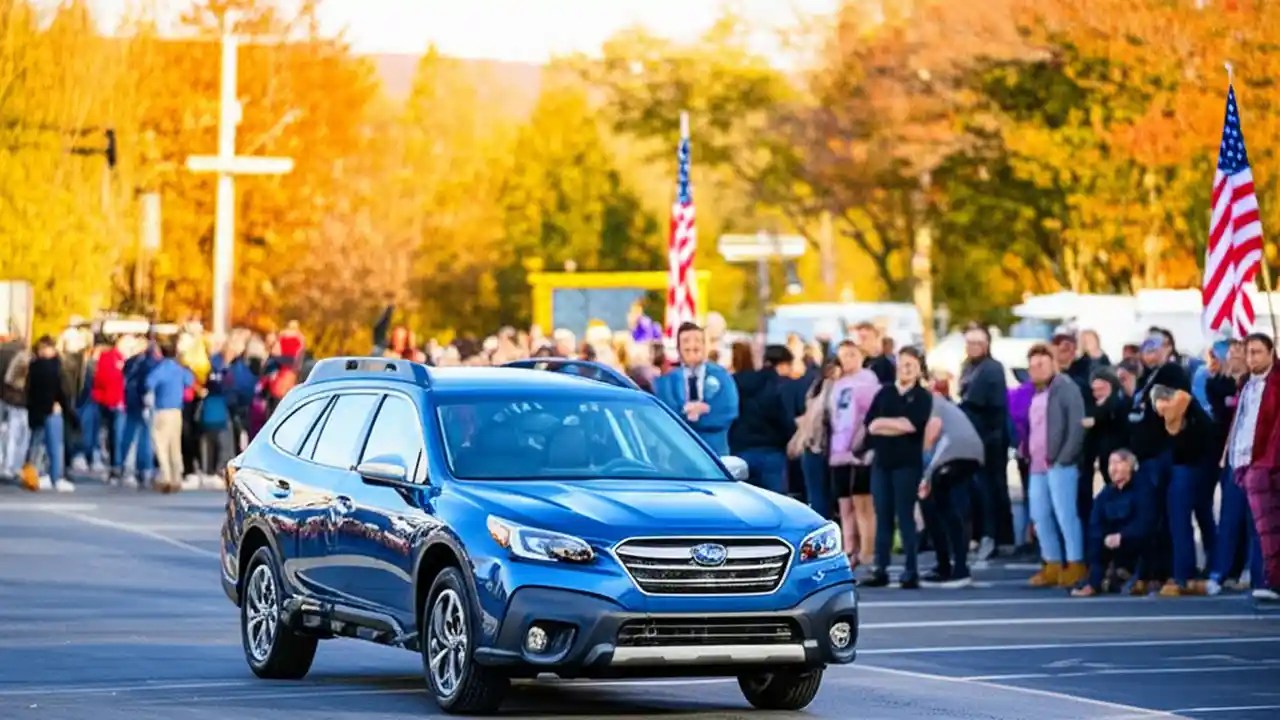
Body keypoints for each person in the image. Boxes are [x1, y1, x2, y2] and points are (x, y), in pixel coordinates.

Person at [861, 346, 933, 589]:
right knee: (883, 516)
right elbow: (871, 424)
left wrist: (886, 424)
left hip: (907, 464)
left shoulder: (922, 396)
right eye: (903, 363)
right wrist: (892, 424)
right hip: (882, 463)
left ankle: (910, 570)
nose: (906, 368)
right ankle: (880, 568)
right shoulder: (884, 393)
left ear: (919, 368)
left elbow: (912, 425)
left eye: (911, 364)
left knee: (905, 517)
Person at [1127, 331, 1190, 590]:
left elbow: (1171, 408)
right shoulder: (1146, 377)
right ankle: (1149, 570)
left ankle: (1166, 572)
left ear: (1168, 348)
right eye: (1146, 346)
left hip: (1161, 454)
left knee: (1162, 516)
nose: (1150, 351)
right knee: (1149, 515)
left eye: (1156, 346)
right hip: (1145, 456)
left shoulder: (1171, 372)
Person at [1024, 344, 1087, 589]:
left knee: (1065, 515)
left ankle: (1075, 564)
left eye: (1041, 364)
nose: (1036, 369)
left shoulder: (1065, 387)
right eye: (1032, 366)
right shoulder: (1036, 392)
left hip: (1059, 463)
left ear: (1053, 363)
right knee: (1039, 516)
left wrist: (1065, 457)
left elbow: (1076, 425)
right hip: (1037, 465)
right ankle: (1051, 563)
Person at [1225, 333, 1280, 603]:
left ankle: (1272, 580)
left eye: (1257, 352)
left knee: (1269, 528)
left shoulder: (1276, 383)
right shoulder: (1247, 385)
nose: (1251, 358)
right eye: (1248, 353)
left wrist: (1265, 463)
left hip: (1265, 463)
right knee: (1257, 529)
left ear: (1271, 353)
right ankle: (1263, 577)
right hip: (1243, 462)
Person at [1150, 383, 1215, 596]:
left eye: (1159, 407)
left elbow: (1178, 441)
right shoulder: (1193, 407)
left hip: (1185, 469)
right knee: (1204, 519)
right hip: (1201, 468)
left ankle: (1182, 575)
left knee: (1179, 522)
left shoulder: (1179, 407)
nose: (1160, 414)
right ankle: (1212, 568)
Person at [919, 388, 985, 587]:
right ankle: (948, 564)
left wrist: (925, 475)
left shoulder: (932, 402)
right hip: (968, 454)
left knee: (941, 507)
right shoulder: (943, 404)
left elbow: (932, 434)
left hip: (954, 453)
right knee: (941, 506)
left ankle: (957, 568)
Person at [826, 341, 881, 567]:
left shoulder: (868, 381)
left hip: (858, 450)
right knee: (844, 504)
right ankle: (849, 548)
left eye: (851, 355)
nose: (847, 360)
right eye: (843, 356)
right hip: (838, 448)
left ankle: (867, 549)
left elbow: (870, 416)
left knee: (863, 503)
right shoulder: (837, 384)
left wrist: (861, 442)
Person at [1072, 449, 1155, 598]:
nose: (1112, 468)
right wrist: (1103, 536)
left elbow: (1146, 522)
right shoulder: (1108, 492)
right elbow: (1096, 519)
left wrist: (1122, 536)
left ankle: (1138, 577)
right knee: (1094, 538)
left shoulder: (1144, 488)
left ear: (1129, 466)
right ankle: (1093, 582)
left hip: (1135, 540)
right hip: (1111, 541)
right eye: (1110, 464)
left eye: (1117, 463)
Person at [959, 325, 1012, 559]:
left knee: (991, 488)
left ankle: (995, 536)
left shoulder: (992, 368)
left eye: (977, 343)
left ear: (986, 345)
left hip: (990, 437)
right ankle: (982, 534)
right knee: (978, 489)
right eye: (969, 343)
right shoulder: (968, 367)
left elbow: (978, 402)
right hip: (974, 436)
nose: (972, 347)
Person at [654, 322, 739, 456]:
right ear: (678, 348)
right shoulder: (667, 381)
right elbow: (665, 415)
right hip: (680, 454)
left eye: (697, 341)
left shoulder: (722, 376)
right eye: (686, 341)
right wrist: (688, 413)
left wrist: (701, 415)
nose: (692, 345)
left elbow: (728, 411)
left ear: (705, 346)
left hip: (715, 453)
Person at [727, 345, 795, 495]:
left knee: (744, 501)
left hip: (741, 449)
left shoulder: (735, 382)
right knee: (776, 503)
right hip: (772, 452)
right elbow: (784, 418)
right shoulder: (779, 385)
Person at [24, 336, 74, 492]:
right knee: (54, 445)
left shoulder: (34, 366)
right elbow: (61, 390)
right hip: (52, 409)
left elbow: (29, 390)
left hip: (37, 410)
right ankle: (55, 477)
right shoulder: (56, 366)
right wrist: (64, 407)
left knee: (38, 444)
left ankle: (37, 475)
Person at [146, 341, 194, 493]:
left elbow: (149, 382)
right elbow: (190, 380)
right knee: (174, 445)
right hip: (177, 411)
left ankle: (165, 476)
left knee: (160, 444)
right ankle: (176, 477)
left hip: (162, 410)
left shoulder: (162, 368)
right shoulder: (179, 369)